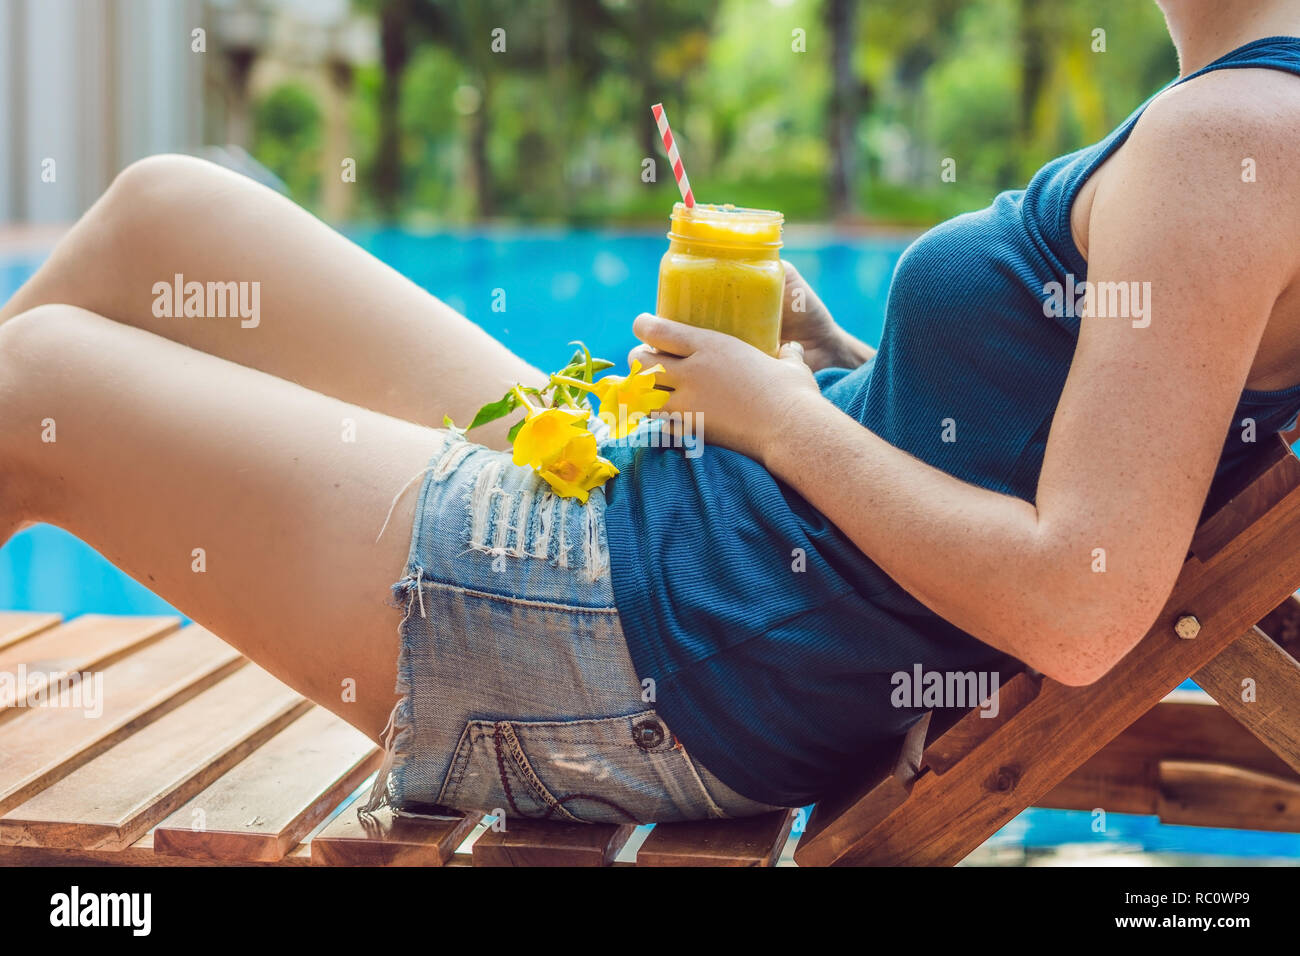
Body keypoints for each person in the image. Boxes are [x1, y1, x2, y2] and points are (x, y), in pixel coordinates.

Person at [3, 1, 1300, 824]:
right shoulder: (1227, 114)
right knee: (167, 213)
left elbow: (1078, 603)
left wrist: (779, 421)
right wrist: (840, 360)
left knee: (33, 387)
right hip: (685, 532)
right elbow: (1027, 435)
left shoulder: (1226, 145)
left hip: (658, 642)